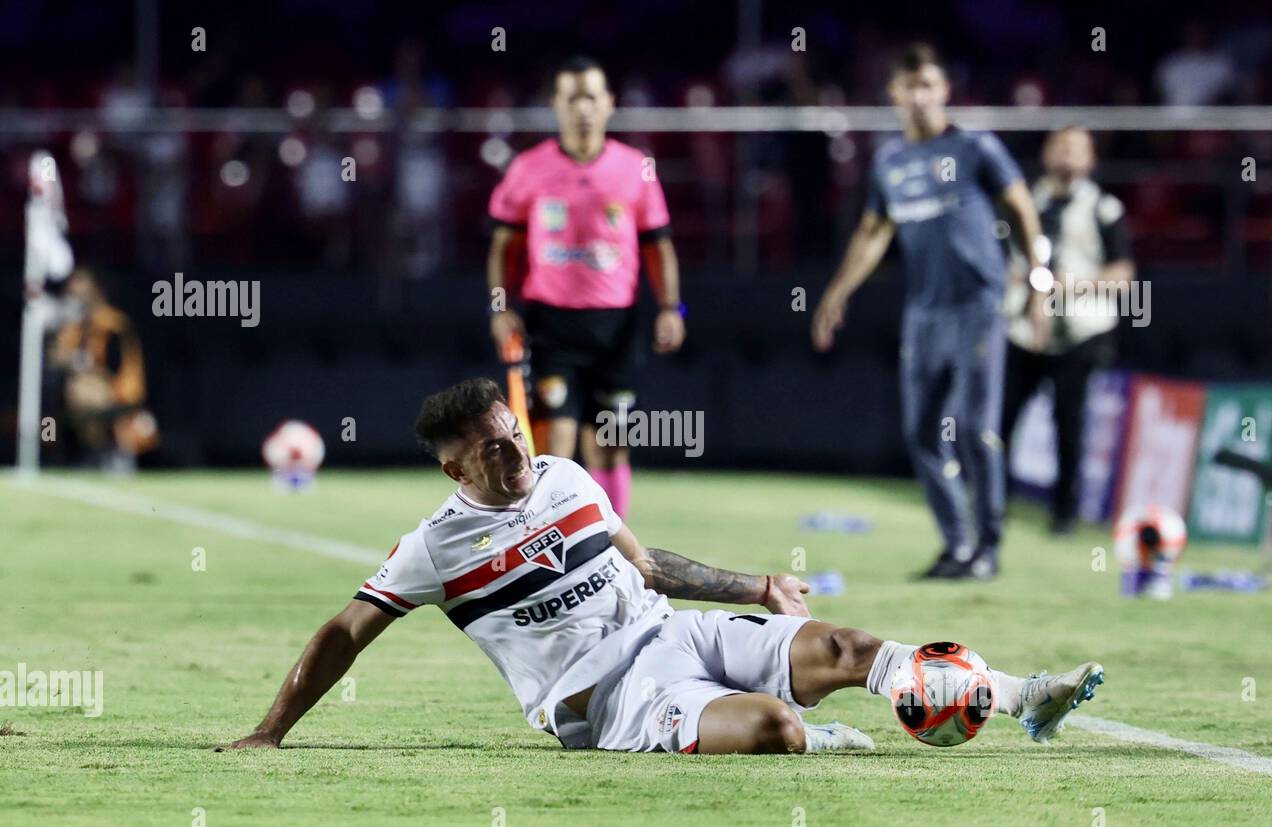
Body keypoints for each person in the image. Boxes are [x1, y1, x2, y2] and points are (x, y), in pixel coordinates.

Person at [224, 378, 1104, 755]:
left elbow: (648, 565)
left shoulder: (567, 478)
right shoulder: (436, 546)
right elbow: (346, 630)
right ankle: (819, 739)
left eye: (512, 434)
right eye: (490, 451)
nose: (512, 453)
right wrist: (272, 728)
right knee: (776, 731)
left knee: (846, 643)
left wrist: (757, 586)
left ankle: (1026, 696)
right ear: (456, 469)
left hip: (671, 632)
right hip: (605, 699)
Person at [812, 43, 1049, 581]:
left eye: (929, 86)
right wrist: (837, 293)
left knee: (974, 428)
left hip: (979, 305)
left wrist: (1039, 280)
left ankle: (987, 548)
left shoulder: (975, 148)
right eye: (909, 86)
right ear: (894, 93)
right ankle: (956, 544)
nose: (920, 97)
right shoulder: (889, 161)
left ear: (944, 91)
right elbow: (873, 233)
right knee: (922, 432)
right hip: (925, 313)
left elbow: (1023, 209)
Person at [485, 55, 685, 519]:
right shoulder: (528, 169)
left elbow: (660, 246)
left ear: (609, 104)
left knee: (611, 445)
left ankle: (611, 553)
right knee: (555, 445)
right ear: (555, 104)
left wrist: (672, 307)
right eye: (572, 97)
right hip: (550, 323)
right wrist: (500, 309)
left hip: (617, 327)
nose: (583, 108)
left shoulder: (637, 169)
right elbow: (502, 248)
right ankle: (550, 550)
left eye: (592, 96)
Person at [1002, 126, 1135, 534]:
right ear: (1045, 154)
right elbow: (1004, 262)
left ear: (1091, 159)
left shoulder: (1104, 208)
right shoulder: (1022, 203)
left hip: (1079, 329)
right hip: (1023, 329)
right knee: (1002, 419)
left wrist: (1068, 286)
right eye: (1059, 147)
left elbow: (1124, 276)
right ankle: (992, 504)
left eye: (1076, 149)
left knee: (1069, 422)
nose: (1066, 156)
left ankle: (1064, 514)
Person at [47, 268, 158, 472]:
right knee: (56, 401)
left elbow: (115, 369)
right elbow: (56, 358)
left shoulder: (114, 324)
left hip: (120, 392)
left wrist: (79, 365)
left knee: (82, 390)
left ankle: (111, 451)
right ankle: (66, 452)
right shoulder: (75, 324)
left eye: (80, 282)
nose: (73, 289)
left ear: (96, 289)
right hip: (82, 394)